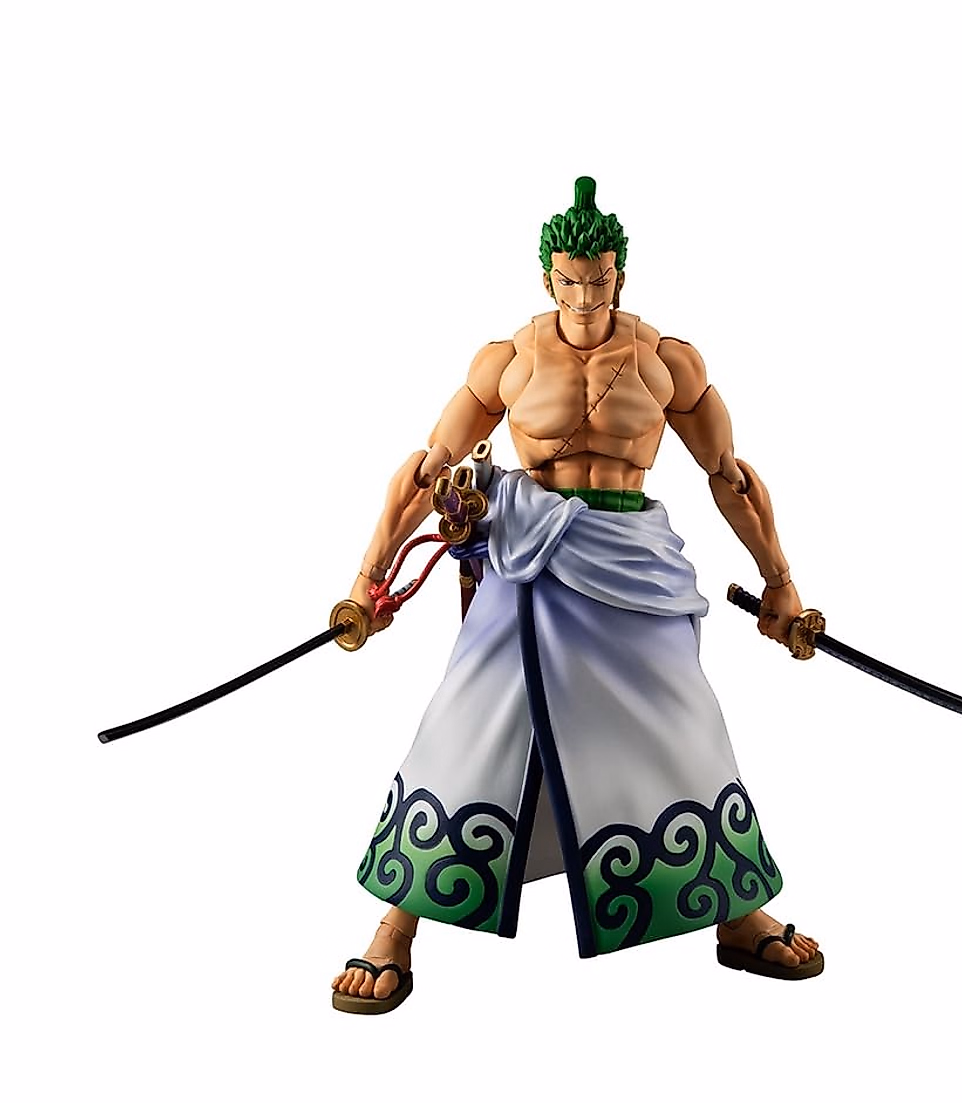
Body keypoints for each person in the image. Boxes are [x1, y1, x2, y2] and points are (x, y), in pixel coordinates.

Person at [331, 178, 821, 1013]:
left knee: (683, 721)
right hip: (529, 557)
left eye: (599, 280)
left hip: (632, 560)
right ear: (547, 277)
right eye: (570, 280)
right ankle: (397, 924)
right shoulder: (508, 361)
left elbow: (729, 476)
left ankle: (737, 913)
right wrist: (368, 581)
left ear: (620, 274)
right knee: (470, 722)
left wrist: (781, 583)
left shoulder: (668, 361)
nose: (586, 296)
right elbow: (426, 470)